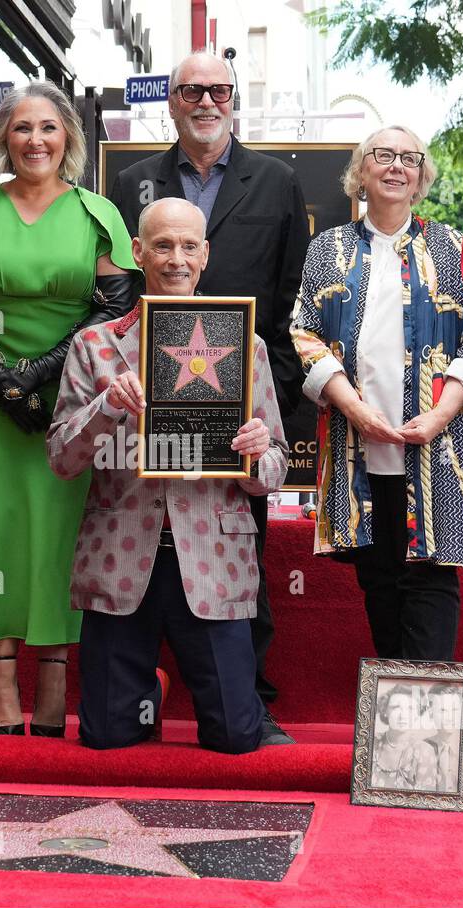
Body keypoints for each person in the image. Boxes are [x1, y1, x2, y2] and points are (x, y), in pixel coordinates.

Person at [108, 50, 311, 743]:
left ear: (233, 99)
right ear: (171, 100)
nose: (206, 99)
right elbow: (112, 292)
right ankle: (151, 688)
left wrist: (261, 415)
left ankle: (247, 694)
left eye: (219, 89)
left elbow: (289, 304)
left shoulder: (278, 183)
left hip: (237, 400)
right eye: (192, 88)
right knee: (159, 551)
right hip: (144, 406)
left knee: (235, 555)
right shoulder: (133, 182)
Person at [47, 197, 289, 753]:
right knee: (106, 737)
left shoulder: (244, 343)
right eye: (161, 245)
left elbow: (274, 466)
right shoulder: (95, 347)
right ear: (138, 252)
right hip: (120, 552)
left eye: (187, 247)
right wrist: (106, 406)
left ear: (205, 255)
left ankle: (172, 684)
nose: (175, 258)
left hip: (212, 556)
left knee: (235, 737)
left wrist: (254, 455)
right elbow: (61, 460)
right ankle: (148, 687)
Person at [0, 81, 135, 737]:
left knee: (59, 524)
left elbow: (114, 307)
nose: (35, 140)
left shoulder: (96, 212)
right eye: (21, 128)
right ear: (4, 139)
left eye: (48, 128)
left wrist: (39, 375)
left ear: (68, 139)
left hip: (72, 391)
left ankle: (53, 680)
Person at [291, 125, 463, 664]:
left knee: (430, 580)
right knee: (379, 581)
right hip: (359, 448)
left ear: (421, 177)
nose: (395, 166)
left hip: (438, 450)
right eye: (383, 155)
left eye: (409, 158)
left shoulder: (452, 249)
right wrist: (354, 410)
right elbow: (304, 333)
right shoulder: (326, 249)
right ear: (361, 171)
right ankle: (390, 720)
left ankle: (426, 724)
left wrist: (440, 416)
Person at [370, 685, 439, 790]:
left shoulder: (424, 751)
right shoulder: (371, 742)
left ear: (418, 713)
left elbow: (425, 800)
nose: (403, 715)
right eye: (396, 707)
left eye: (410, 708)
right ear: (385, 711)